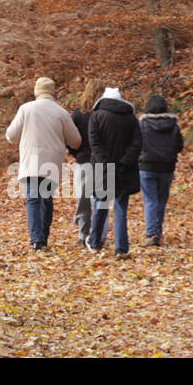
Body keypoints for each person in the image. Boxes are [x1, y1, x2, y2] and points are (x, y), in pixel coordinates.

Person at [5, 77, 82, 251]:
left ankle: (36, 240)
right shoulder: (61, 112)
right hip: (53, 163)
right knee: (46, 199)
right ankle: (43, 238)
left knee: (33, 199)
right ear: (53, 92)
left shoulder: (26, 109)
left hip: (30, 160)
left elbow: (11, 136)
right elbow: (75, 141)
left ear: (36, 91)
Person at [87, 86, 141, 258]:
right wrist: (124, 162)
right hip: (125, 170)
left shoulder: (96, 117)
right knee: (120, 209)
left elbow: (95, 144)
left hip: (103, 170)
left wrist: (106, 163)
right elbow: (137, 144)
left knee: (100, 206)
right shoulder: (132, 119)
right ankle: (121, 248)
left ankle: (95, 242)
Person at [138, 94, 184, 246]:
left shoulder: (142, 125)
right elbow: (179, 146)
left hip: (147, 166)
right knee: (161, 200)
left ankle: (152, 233)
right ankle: (158, 230)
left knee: (150, 200)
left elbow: (137, 144)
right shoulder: (174, 126)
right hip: (167, 167)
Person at [68, 79, 104, 248]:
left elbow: (71, 141)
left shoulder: (77, 115)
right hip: (104, 162)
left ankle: (83, 235)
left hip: (83, 161)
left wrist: (77, 154)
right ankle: (100, 237)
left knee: (82, 201)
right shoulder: (106, 114)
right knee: (101, 201)